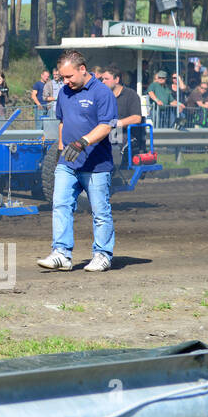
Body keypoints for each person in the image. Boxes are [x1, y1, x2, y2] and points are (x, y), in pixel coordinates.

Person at [37, 50, 118, 273]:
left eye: (69, 77)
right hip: (68, 163)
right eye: (62, 77)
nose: (65, 82)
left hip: (97, 165)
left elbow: (106, 126)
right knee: (60, 204)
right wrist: (61, 150)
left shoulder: (102, 93)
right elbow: (62, 122)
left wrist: (82, 142)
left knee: (100, 211)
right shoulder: (64, 93)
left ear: (82, 69)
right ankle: (61, 253)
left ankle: (102, 254)